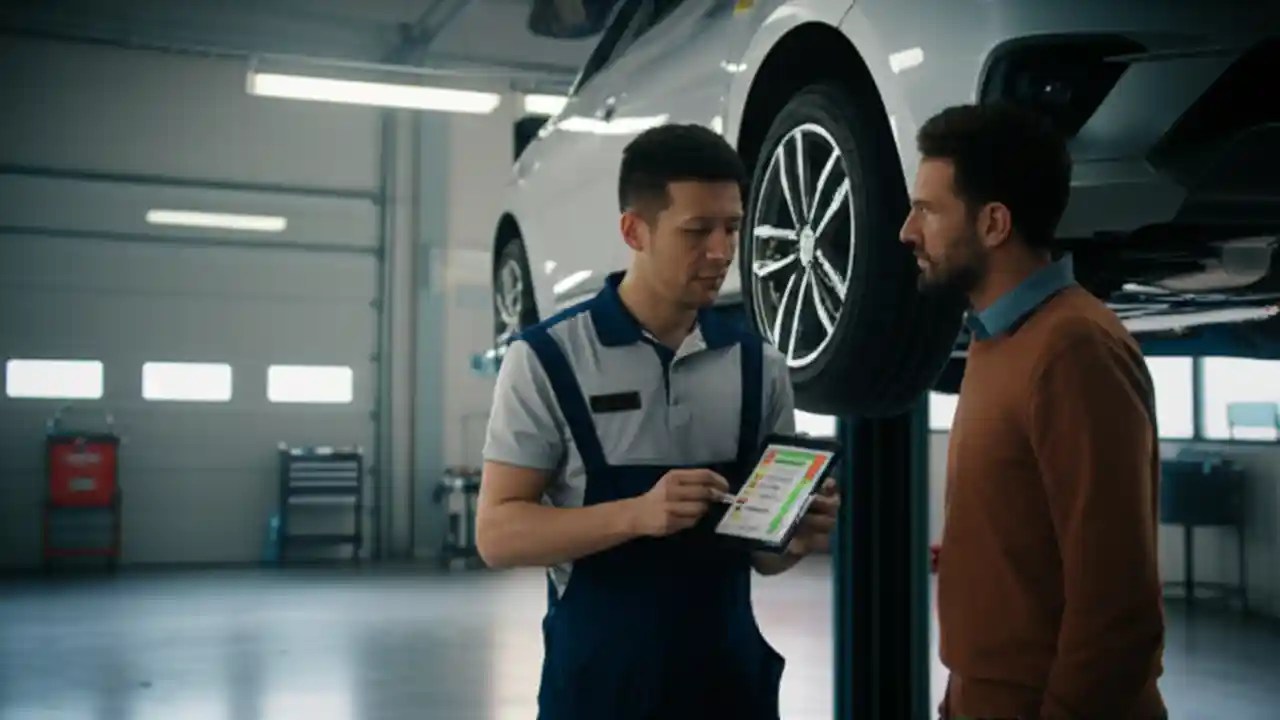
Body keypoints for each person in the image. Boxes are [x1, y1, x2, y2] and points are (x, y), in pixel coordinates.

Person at [476, 123, 840, 720]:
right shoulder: (547, 359)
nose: (722, 252)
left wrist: (796, 539)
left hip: (728, 689)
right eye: (697, 231)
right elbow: (497, 534)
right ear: (633, 231)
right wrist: (637, 515)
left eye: (732, 228)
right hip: (597, 693)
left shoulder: (759, 367)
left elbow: (764, 558)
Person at [899, 103, 1166, 720]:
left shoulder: (1074, 349)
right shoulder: (999, 339)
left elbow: (1117, 607)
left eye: (929, 210)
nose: (907, 232)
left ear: (993, 223)